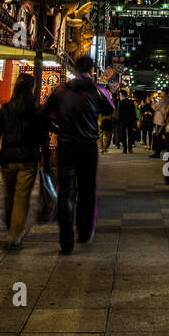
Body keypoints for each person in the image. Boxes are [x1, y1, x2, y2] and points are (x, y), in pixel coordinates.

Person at [44, 55, 111, 255]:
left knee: (65, 191)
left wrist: (57, 129)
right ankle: (84, 231)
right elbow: (108, 109)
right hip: (88, 147)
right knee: (87, 191)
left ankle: (66, 241)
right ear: (92, 69)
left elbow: (44, 113)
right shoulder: (97, 91)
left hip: (66, 146)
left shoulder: (61, 90)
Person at [0, 74, 49, 249]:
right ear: (32, 88)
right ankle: (15, 234)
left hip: (8, 158)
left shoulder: (7, 108)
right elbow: (43, 137)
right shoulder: (36, 109)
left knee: (9, 195)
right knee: (21, 197)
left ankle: (10, 226)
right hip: (28, 158)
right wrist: (47, 159)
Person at [116, 89, 138, 153]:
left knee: (123, 135)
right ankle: (130, 148)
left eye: (120, 95)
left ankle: (125, 148)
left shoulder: (121, 103)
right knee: (130, 135)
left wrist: (119, 121)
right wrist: (135, 120)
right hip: (130, 121)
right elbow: (133, 112)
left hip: (123, 121)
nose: (119, 96)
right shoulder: (131, 102)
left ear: (122, 95)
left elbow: (119, 113)